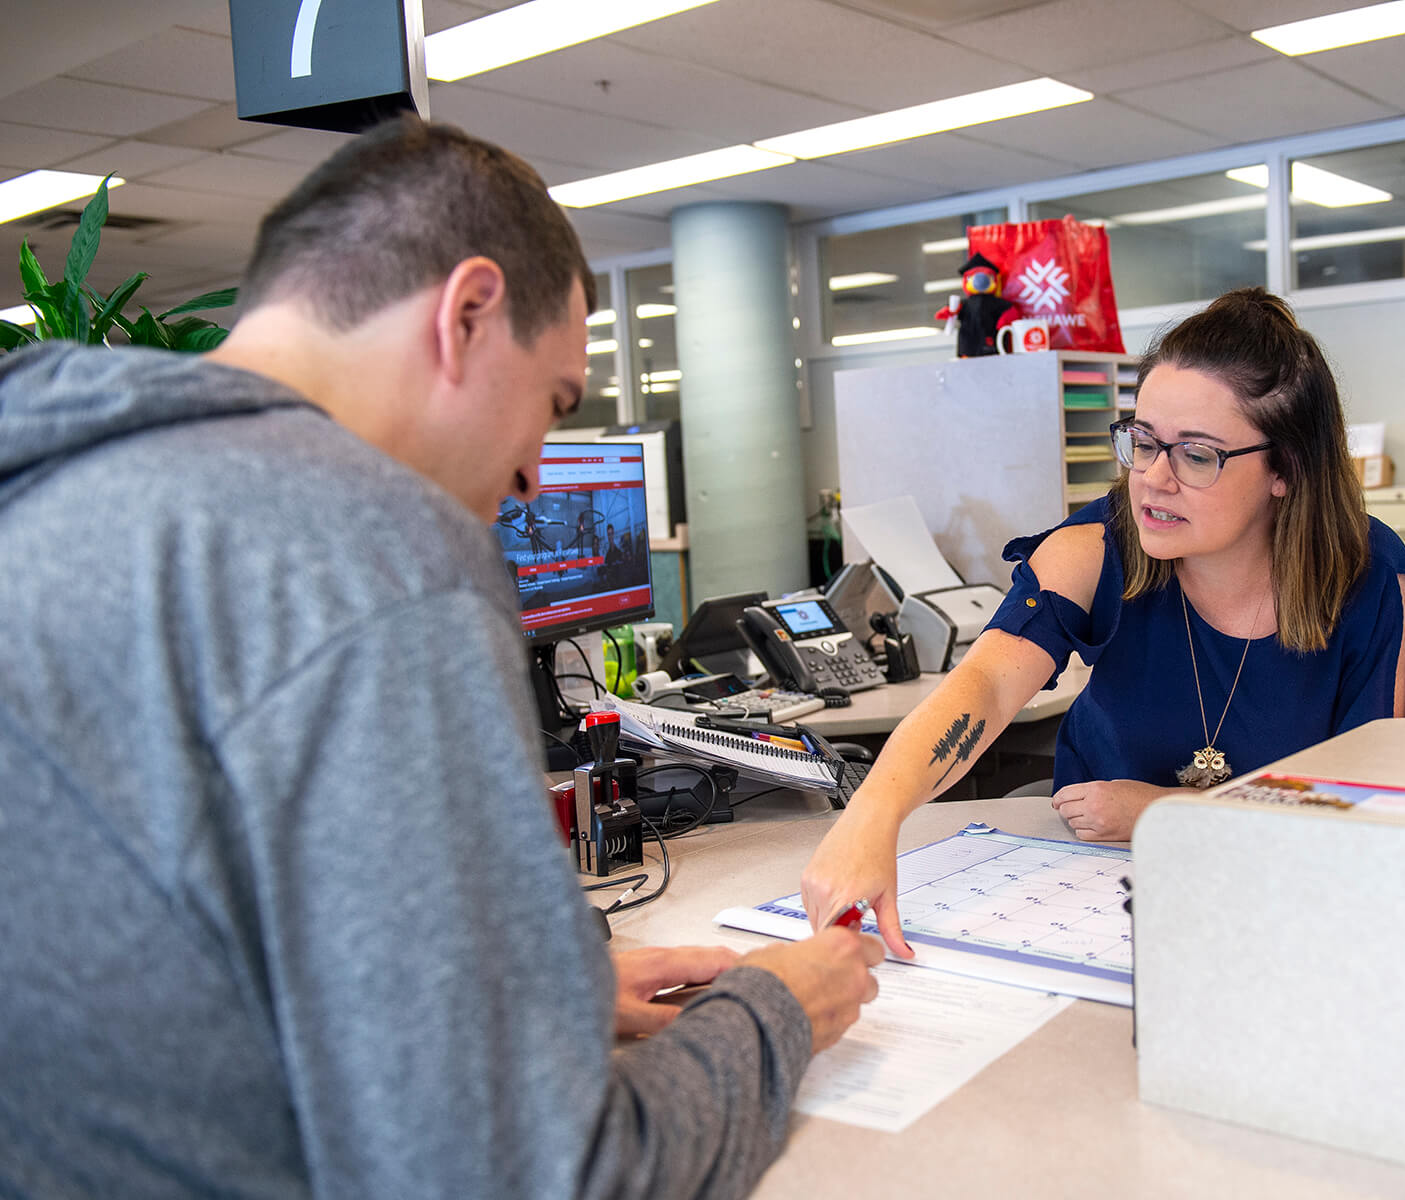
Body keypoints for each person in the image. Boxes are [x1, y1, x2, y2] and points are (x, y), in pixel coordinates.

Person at [0, 118, 881, 1198]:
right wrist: (777, 1013)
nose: (531, 477)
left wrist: (507, 994)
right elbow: (540, 1177)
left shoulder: (50, 490)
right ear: (466, 313)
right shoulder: (371, 546)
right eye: (554, 405)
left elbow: (148, 964)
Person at [802, 288, 1405, 958]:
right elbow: (985, 685)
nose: (1153, 480)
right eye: (1143, 441)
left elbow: (1365, 816)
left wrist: (1164, 812)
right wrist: (872, 815)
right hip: (1096, 885)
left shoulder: (1368, 578)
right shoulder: (1098, 546)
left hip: (1283, 899)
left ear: (1285, 468)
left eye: (1197, 455)